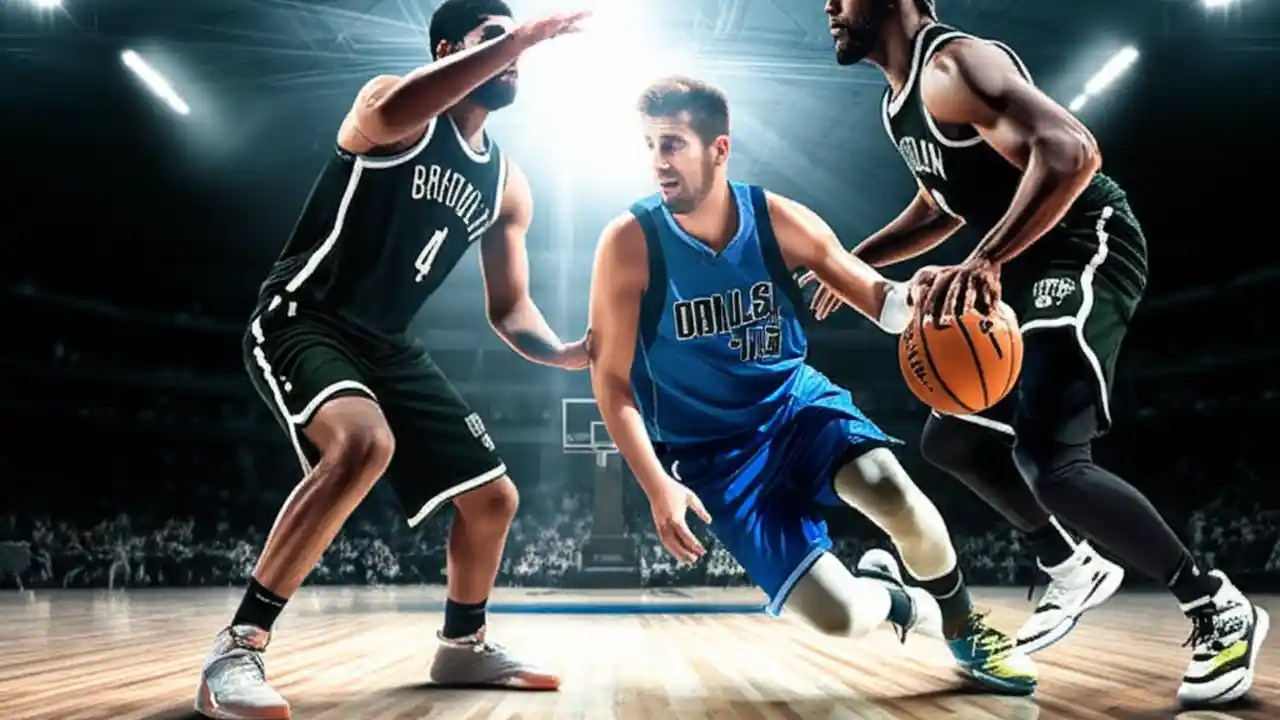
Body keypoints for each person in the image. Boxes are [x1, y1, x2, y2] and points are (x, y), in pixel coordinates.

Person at [809, 0, 1268, 706]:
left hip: (1087, 244)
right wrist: (850, 262)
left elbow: (1072, 149)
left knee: (1053, 464)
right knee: (952, 438)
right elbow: (942, 206)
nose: (829, 6)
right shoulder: (899, 102)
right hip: (1024, 263)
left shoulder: (954, 63)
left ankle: (1216, 606)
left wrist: (987, 259)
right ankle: (1068, 561)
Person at [196, 3, 590, 718]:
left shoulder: (508, 183)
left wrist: (568, 352)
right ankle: (238, 645)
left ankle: (461, 646)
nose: (512, 55)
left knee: (493, 499)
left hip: (388, 342)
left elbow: (510, 311)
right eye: (489, 39)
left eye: (515, 44)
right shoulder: (390, 106)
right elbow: (407, 98)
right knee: (363, 444)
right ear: (445, 49)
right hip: (302, 315)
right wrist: (525, 34)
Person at [586, 75, 1037, 695]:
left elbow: (884, 303)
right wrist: (656, 482)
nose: (658, 162)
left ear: (719, 149)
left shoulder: (776, 220)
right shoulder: (629, 244)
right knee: (842, 618)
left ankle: (966, 627)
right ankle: (896, 600)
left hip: (793, 405)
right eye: (650, 146)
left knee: (892, 492)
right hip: (714, 458)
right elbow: (610, 381)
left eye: (672, 144)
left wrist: (930, 293)